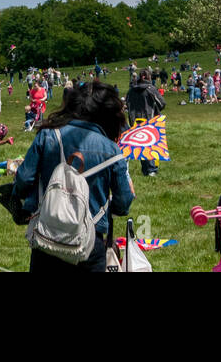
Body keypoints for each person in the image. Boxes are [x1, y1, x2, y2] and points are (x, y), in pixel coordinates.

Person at [14, 82, 134, 273]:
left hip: (48, 236)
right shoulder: (112, 150)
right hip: (89, 240)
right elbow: (123, 203)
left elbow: (23, 180)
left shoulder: (48, 135)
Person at [125, 72, 165, 177]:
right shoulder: (150, 88)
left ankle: (145, 169)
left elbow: (127, 104)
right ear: (146, 77)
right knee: (150, 144)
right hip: (149, 119)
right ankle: (151, 169)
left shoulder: (131, 90)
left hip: (135, 120)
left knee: (141, 145)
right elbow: (162, 103)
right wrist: (156, 109)